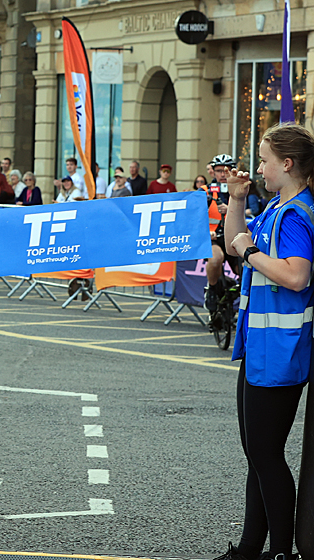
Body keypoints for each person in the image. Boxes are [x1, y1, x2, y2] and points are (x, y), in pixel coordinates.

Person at [215, 122, 314, 560]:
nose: (258, 167)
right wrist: (236, 199)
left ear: (286, 164)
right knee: (257, 454)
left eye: (263, 160)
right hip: (262, 348)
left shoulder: (297, 214)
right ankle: (250, 550)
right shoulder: (278, 205)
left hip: (281, 352)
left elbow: (296, 275)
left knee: (267, 455)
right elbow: (234, 244)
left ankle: (281, 553)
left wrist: (252, 251)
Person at [205, 154, 236, 312]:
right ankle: (212, 291)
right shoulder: (205, 191)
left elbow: (255, 213)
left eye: (226, 170)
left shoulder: (241, 189)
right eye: (219, 171)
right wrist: (207, 232)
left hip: (235, 238)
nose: (223, 174)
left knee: (247, 267)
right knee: (216, 259)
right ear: (213, 172)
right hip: (214, 238)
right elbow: (194, 218)